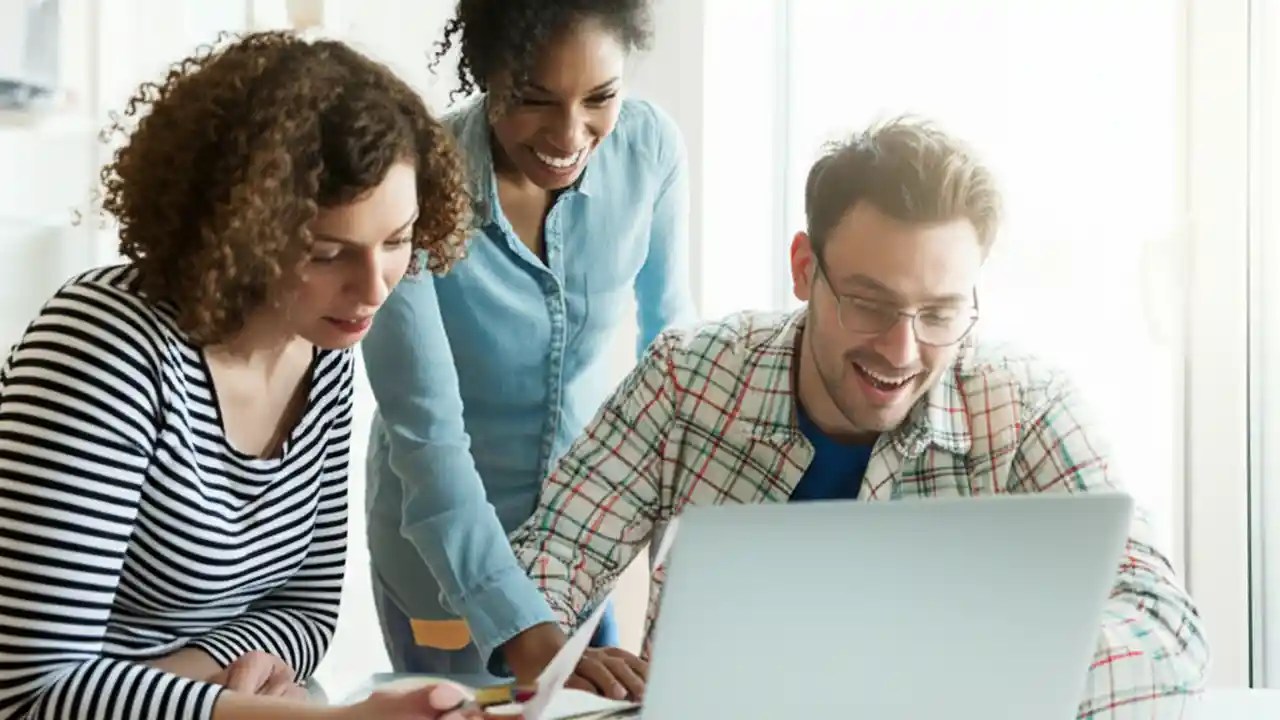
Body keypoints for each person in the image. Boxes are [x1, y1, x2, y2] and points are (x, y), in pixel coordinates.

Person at [505, 116, 1211, 714]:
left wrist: (968, 676)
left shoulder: (1028, 407)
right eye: (870, 304)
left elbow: (1165, 629)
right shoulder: (687, 376)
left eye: (939, 313)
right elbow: (555, 553)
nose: (902, 351)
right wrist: (550, 644)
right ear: (805, 268)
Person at [0, 30, 482, 720]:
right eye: (326, 252)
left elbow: (306, 613)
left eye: (398, 240)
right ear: (238, 231)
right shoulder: (103, 348)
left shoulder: (323, 351)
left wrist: (189, 685)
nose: (374, 288)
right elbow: (31, 694)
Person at [362, 0, 695, 692]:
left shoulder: (649, 149)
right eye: (534, 100)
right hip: (444, 561)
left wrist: (681, 553)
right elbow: (428, 442)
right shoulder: (417, 186)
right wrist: (530, 640)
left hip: (582, 551)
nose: (571, 134)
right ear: (485, 75)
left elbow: (673, 358)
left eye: (601, 97)